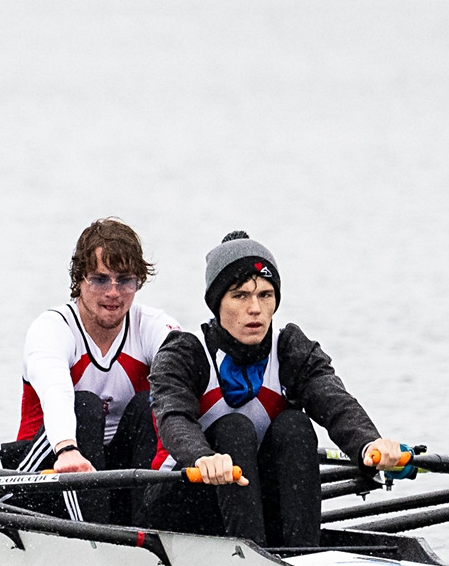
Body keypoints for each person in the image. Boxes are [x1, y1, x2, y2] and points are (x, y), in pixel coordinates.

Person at [142, 231, 409, 547]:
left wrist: (370, 444)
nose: (254, 308)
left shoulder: (291, 350)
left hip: (253, 501)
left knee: (295, 426)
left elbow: (334, 401)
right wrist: (202, 458)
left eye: (265, 296)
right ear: (217, 303)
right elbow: (174, 419)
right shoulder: (185, 353)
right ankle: (255, 561)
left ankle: (302, 553)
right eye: (240, 296)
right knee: (233, 428)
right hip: (182, 503)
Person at [0, 218, 185, 524]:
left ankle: (145, 529)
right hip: (46, 474)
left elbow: (189, 380)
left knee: (153, 402)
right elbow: (57, 392)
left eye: (125, 280)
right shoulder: (52, 328)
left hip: (113, 477)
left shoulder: (153, 326)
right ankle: (96, 537)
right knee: (84, 405)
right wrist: (67, 448)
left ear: (139, 281)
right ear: (79, 280)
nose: (113, 292)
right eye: (100, 280)